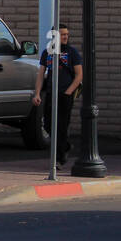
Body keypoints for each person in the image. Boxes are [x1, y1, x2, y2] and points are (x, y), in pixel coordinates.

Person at [31, 23, 83, 165]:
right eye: (62, 34)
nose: (66, 37)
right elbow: (41, 74)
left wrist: (68, 93)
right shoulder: (47, 52)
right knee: (48, 125)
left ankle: (59, 158)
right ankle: (65, 146)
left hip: (65, 94)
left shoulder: (72, 53)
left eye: (67, 34)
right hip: (50, 93)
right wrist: (37, 94)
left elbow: (79, 75)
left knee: (61, 126)